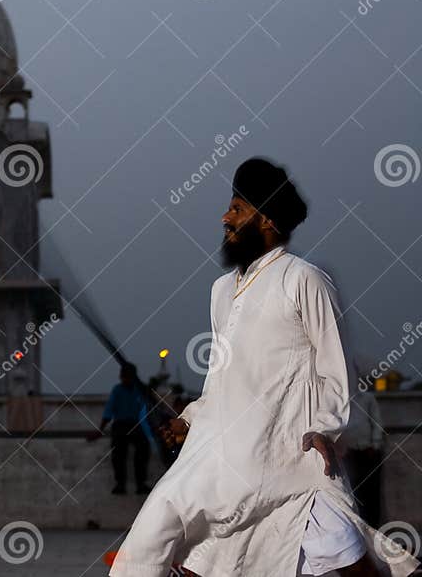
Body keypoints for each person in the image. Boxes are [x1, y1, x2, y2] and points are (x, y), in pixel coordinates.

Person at [109, 158, 418, 577]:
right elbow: (220, 380)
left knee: (345, 558)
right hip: (223, 455)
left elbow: (336, 369)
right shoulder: (221, 292)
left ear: (267, 220)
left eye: (237, 209)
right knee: (152, 538)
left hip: (291, 457)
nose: (225, 217)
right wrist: (190, 418)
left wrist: (325, 429)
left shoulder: (304, 280)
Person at [101, 363, 152, 495]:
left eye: (128, 377)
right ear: (121, 377)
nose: (126, 379)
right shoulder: (117, 390)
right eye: (124, 376)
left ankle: (141, 484)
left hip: (136, 424)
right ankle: (120, 484)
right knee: (118, 455)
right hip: (120, 425)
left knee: (143, 451)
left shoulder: (139, 389)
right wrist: (100, 428)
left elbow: (150, 404)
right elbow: (109, 411)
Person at [341, 378, 385, 528]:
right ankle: (357, 526)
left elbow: (377, 423)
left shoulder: (367, 398)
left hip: (368, 452)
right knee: (352, 491)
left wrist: (375, 444)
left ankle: (374, 527)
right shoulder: (340, 399)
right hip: (348, 453)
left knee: (371, 491)